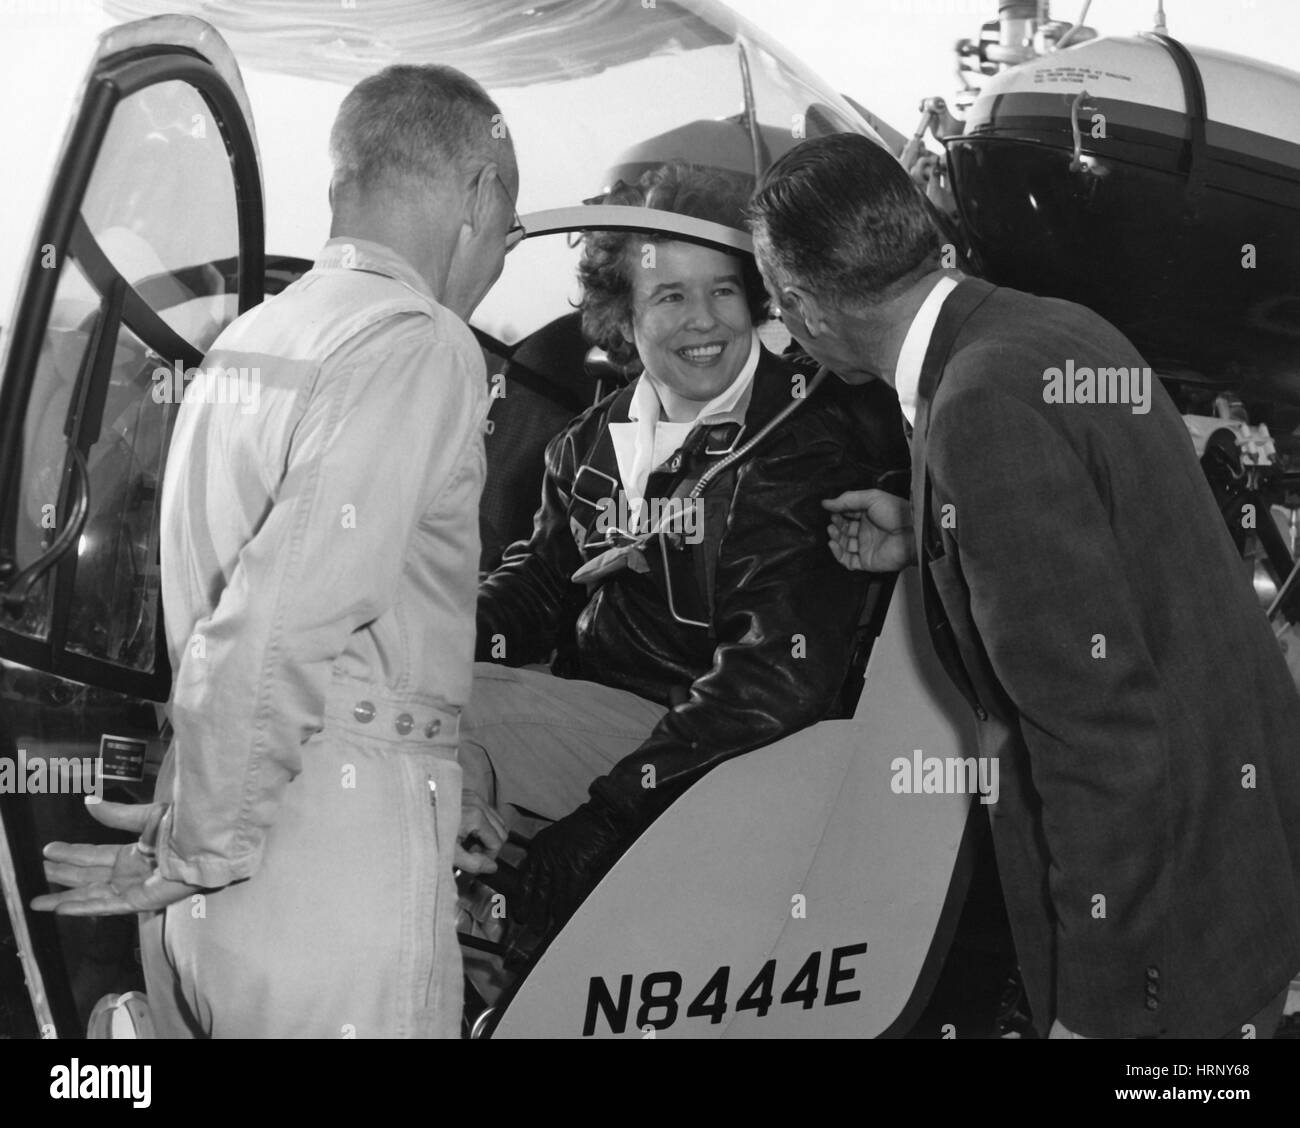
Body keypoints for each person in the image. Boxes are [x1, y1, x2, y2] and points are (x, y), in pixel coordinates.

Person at [748, 131, 1300, 1039]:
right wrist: (932, 533)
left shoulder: (978, 408)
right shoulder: (1052, 327)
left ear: (803, 305)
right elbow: (1133, 549)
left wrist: (1098, 1006)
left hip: (1166, 948)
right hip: (1237, 874)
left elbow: (1099, 738)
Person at [33, 64, 518, 1038]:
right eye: (509, 216)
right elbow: (283, 612)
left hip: (223, 859)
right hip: (332, 864)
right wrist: (205, 841)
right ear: (475, 191)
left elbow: (217, 618)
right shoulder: (418, 341)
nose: (504, 246)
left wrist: (194, 826)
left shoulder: (256, 334)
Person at [463, 162, 909, 937]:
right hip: (623, 730)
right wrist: (426, 630)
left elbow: (770, 688)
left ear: (758, 298)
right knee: (419, 681)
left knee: (435, 702)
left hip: (727, 760)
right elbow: (538, 588)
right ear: (622, 314)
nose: (703, 321)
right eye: (669, 295)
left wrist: (609, 819)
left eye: (723, 291)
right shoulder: (593, 440)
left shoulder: (796, 447)